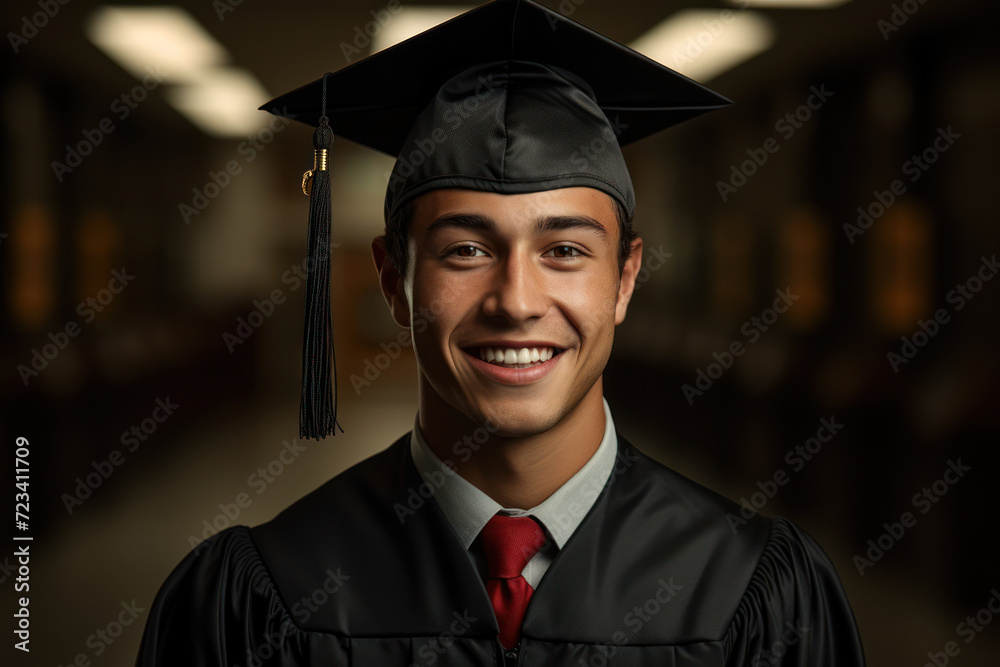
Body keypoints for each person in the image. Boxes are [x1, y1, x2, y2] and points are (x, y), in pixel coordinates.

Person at [136, 0, 866, 664]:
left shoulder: (754, 593)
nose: (516, 301)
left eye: (565, 251)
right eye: (467, 250)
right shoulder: (264, 595)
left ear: (625, 279)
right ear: (394, 280)